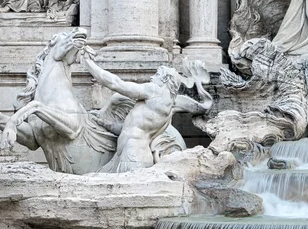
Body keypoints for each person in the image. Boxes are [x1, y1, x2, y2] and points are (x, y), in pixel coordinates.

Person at [82, 55, 213, 173]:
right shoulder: (171, 104)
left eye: (156, 75)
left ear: (165, 79)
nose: (151, 77)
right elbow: (134, 128)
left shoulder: (154, 91)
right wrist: (107, 124)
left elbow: (116, 83)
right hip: (135, 155)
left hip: (132, 155)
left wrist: (89, 64)